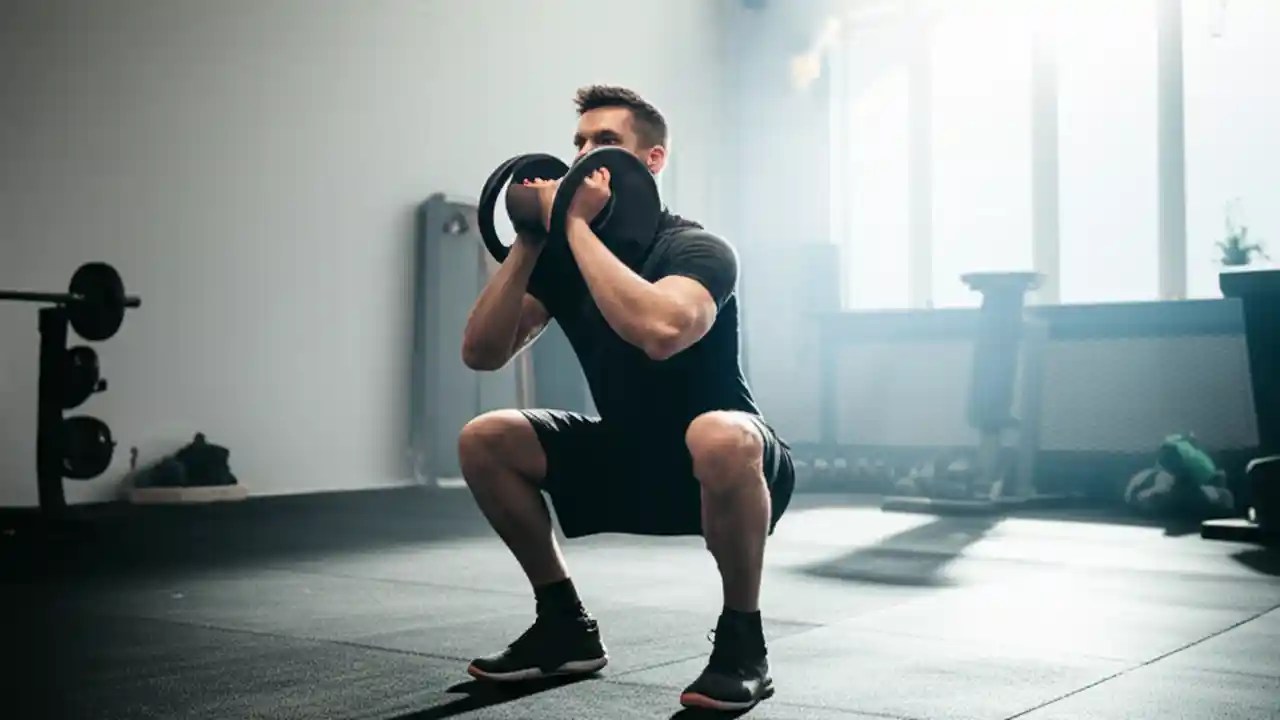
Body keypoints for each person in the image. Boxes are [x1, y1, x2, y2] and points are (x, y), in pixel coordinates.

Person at [457, 85, 794, 712]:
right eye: (579, 143)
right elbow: (482, 352)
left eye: (604, 144)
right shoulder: (564, 261)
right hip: (633, 456)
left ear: (652, 161)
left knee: (715, 434)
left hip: (733, 460)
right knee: (484, 438)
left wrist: (575, 225)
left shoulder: (696, 248)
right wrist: (531, 243)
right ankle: (564, 627)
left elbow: (661, 333)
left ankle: (743, 642)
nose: (584, 156)